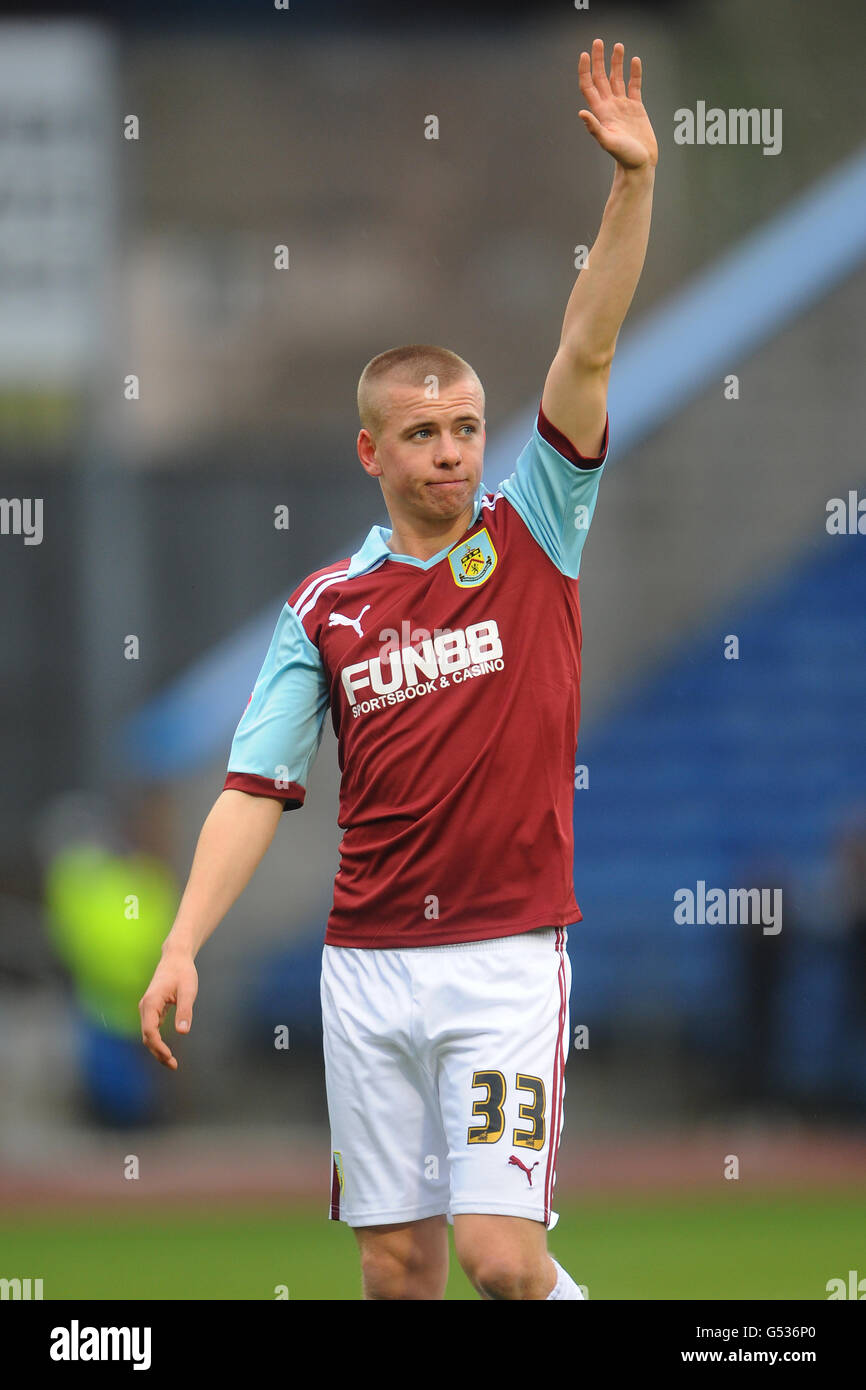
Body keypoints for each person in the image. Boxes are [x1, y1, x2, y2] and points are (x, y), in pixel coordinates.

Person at [140, 39, 657, 1300]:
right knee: (393, 1268)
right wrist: (182, 942)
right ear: (369, 449)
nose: (449, 453)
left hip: (501, 958)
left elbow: (582, 356)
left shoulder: (536, 529)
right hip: (365, 965)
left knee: (499, 1261)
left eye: (465, 428)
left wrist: (631, 186)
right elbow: (253, 788)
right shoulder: (323, 608)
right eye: (421, 434)